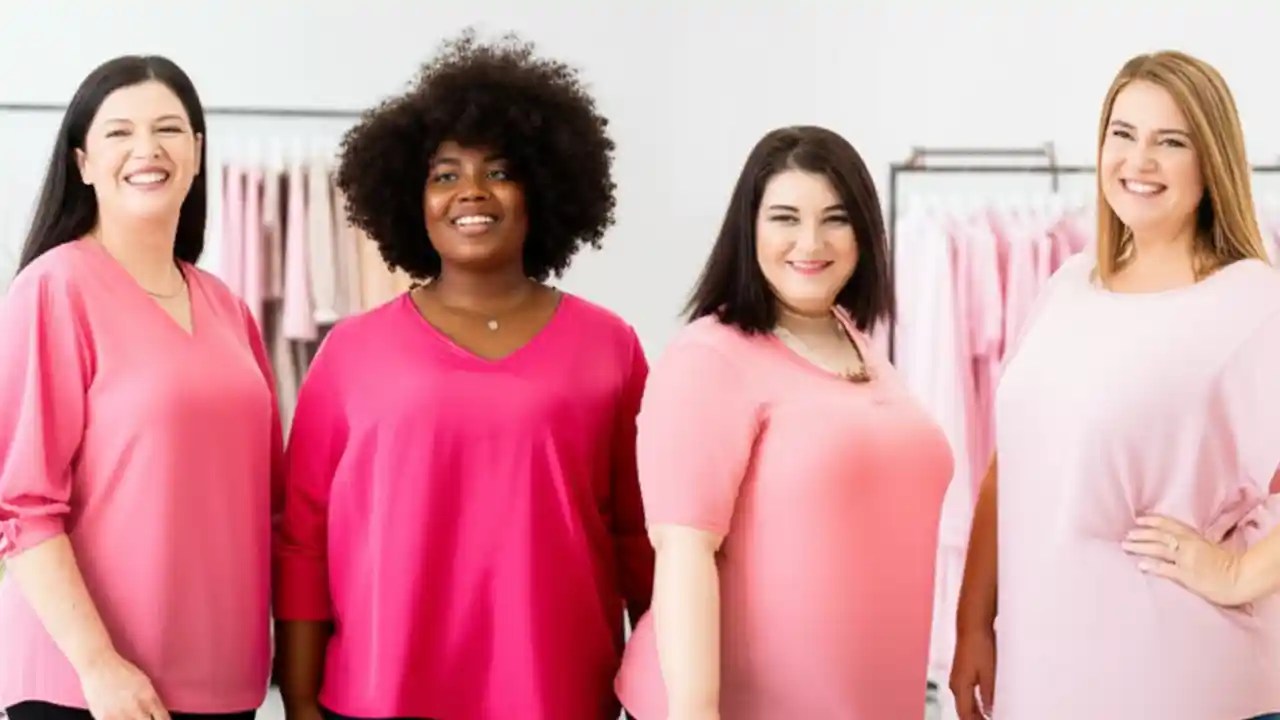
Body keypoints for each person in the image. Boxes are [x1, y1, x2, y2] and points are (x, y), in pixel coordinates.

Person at [271, 30, 654, 720]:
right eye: (444, 174)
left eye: (499, 171)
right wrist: (299, 699)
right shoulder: (351, 353)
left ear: (543, 187)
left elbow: (643, 541)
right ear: (411, 199)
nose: (470, 192)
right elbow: (304, 540)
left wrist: (670, 689)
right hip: (378, 698)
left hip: (559, 696)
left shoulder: (611, 347)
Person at [950, 50, 1280, 720]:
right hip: (1043, 674)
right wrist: (971, 625)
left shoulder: (1253, 301)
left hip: (1181, 676)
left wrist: (1238, 572)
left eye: (1171, 142)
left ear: (1210, 161)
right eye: (1122, 134)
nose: (1139, 161)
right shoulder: (1070, 284)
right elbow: (1007, 469)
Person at [613, 125, 954, 719]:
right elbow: (683, 551)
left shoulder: (856, 340)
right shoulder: (710, 357)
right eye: (786, 218)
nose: (810, 241)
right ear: (749, 229)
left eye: (836, 218)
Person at [0, 56, 281, 720]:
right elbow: (21, 505)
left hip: (227, 684)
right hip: (90, 691)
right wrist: (100, 667)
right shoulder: (54, 287)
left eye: (169, 130)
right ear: (83, 162)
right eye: (119, 132)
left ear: (197, 153)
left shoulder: (228, 308)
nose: (147, 149)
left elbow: (268, 501)